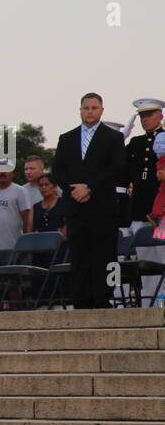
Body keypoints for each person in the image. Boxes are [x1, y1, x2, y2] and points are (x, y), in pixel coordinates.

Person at [52, 92, 126, 309]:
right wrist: (73, 189)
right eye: (86, 108)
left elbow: (117, 168)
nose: (90, 112)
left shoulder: (113, 137)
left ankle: (104, 299)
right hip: (76, 208)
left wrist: (90, 186)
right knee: (79, 255)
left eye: (94, 108)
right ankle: (81, 301)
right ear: (80, 110)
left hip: (103, 207)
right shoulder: (66, 138)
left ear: (102, 110)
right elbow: (58, 169)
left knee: (104, 255)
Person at [125, 98, 164, 305]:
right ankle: (150, 304)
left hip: (161, 209)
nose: (145, 119)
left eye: (149, 115)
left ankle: (161, 303)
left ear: (161, 116)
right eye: (142, 116)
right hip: (140, 209)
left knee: (162, 259)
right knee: (145, 262)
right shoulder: (136, 143)